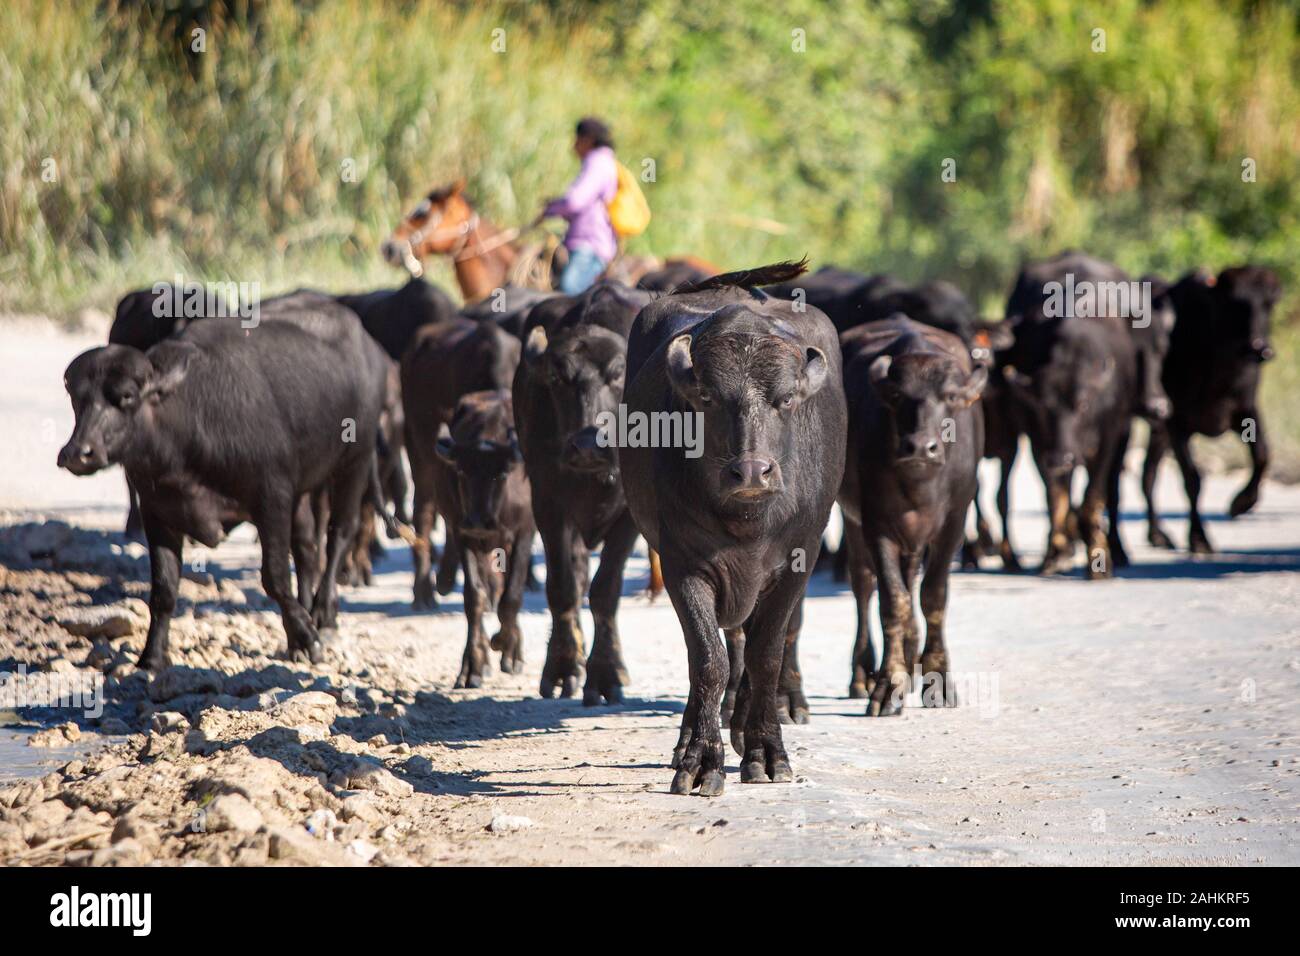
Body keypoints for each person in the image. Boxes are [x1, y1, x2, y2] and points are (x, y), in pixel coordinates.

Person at [538, 117, 619, 294]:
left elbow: (574, 201)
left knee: (569, 290)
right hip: (587, 243)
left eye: (577, 139)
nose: (573, 146)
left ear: (588, 139)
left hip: (589, 245)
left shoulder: (597, 162)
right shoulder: (603, 162)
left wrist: (550, 210)